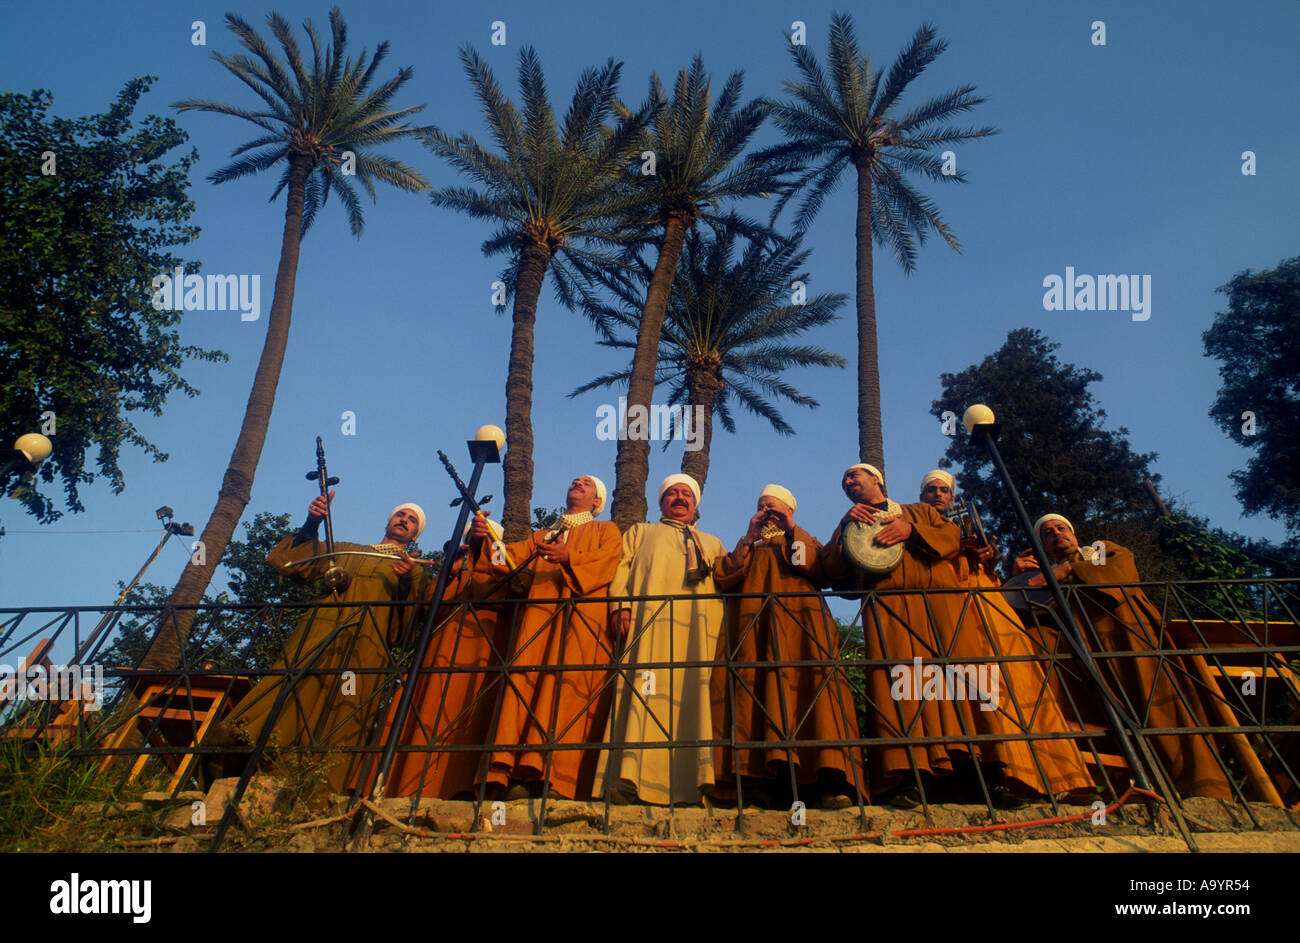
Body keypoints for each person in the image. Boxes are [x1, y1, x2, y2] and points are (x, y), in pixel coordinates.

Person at [1012, 514, 1233, 800]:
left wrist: (1068, 571)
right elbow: (1025, 611)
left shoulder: (1098, 550)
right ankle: (1134, 788)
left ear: (1074, 534)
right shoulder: (1045, 578)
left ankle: (1203, 788)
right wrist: (1018, 577)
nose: (1056, 534)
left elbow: (1122, 567)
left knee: (1161, 708)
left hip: (1128, 637)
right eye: (1048, 533)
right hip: (1087, 654)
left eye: (1061, 528)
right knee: (1111, 720)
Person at [222, 496, 430, 793]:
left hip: (365, 648)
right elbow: (294, 564)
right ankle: (244, 747)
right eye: (401, 514)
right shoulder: (346, 550)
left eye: (412, 520)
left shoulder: (414, 568)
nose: (405, 520)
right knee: (292, 684)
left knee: (345, 711)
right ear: (388, 520)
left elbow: (407, 627)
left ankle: (317, 788)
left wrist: (409, 580)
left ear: (415, 536)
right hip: (318, 631)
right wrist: (312, 522)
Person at [917, 471, 1095, 802]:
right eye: (931, 490)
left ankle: (1060, 779)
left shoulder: (966, 526)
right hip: (951, 610)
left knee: (1022, 685)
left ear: (954, 500)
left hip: (991, 605)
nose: (938, 494)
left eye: (945, 490)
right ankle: (999, 778)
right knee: (971, 691)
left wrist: (1002, 567)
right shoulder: (918, 528)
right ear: (921, 496)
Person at [819, 463, 983, 808]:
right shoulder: (850, 522)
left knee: (955, 682)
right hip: (890, 614)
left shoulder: (918, 511)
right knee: (901, 689)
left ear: (877, 480)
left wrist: (911, 532)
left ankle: (974, 774)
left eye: (854, 476)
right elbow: (830, 569)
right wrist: (844, 527)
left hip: (939, 610)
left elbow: (952, 537)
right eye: (844, 480)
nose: (848, 482)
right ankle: (907, 778)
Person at [710, 484, 863, 809]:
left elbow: (815, 567)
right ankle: (759, 786)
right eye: (762, 506)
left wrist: (791, 527)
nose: (768, 512)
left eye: (775, 507)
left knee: (813, 700)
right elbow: (724, 576)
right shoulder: (747, 548)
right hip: (753, 635)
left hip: (802, 634)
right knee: (754, 699)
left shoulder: (800, 541)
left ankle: (826, 784)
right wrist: (749, 537)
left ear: (790, 511)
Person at [471, 475, 622, 801]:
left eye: (586, 483)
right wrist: (485, 540)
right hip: (536, 624)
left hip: (581, 622)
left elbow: (610, 562)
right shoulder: (541, 535)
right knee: (522, 687)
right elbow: (506, 563)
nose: (577, 484)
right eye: (574, 481)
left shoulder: (605, 530)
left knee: (566, 691)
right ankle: (508, 772)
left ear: (597, 502)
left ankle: (553, 778)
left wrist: (571, 558)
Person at [595, 474, 727, 806]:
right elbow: (621, 571)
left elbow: (730, 576)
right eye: (673, 493)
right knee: (643, 693)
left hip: (698, 638)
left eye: (687, 494)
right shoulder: (641, 532)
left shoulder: (711, 543)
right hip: (648, 631)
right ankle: (629, 779)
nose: (680, 498)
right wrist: (620, 607)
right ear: (661, 501)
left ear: (695, 504)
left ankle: (692, 786)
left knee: (690, 701)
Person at [381, 518, 516, 800]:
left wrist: (486, 553)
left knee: (470, 717)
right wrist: (450, 574)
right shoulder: (452, 569)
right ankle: (401, 785)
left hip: (483, 651)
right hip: (438, 651)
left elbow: (510, 585)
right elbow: (430, 607)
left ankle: (459, 787)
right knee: (424, 713)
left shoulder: (501, 560)